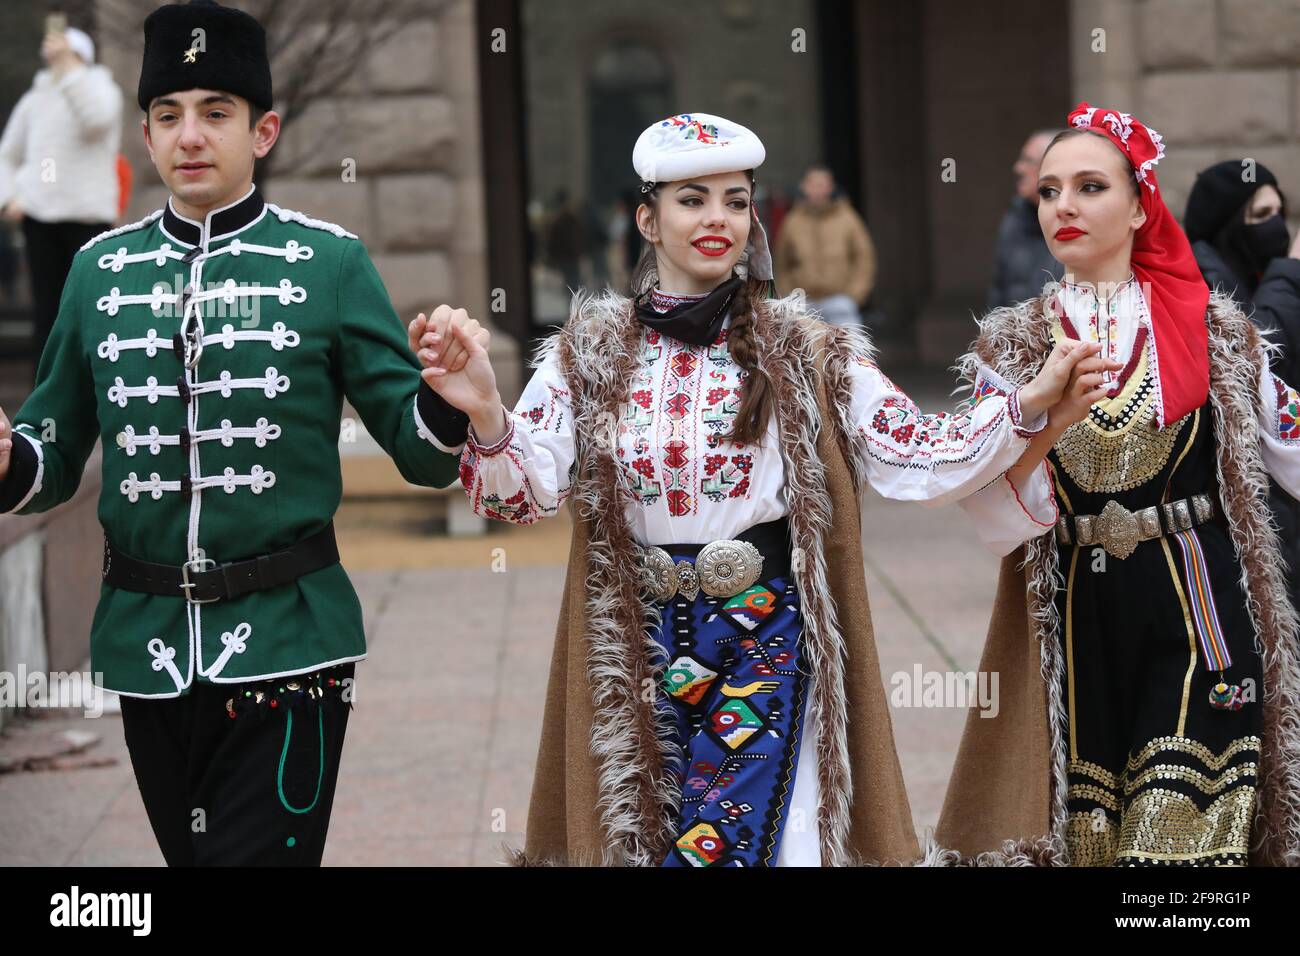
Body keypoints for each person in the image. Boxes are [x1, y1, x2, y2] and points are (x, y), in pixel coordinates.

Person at [415, 111, 1102, 867]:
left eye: (736, 201)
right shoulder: (588, 353)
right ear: (647, 218)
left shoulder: (807, 348)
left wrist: (1029, 401)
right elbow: (521, 494)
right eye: (692, 199)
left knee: (748, 846)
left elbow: (919, 456)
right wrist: (483, 410)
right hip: (634, 648)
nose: (718, 219)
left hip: (766, 636)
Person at [0, 0, 479, 867]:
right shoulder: (96, 273)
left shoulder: (330, 263)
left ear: (263, 131)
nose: (191, 135)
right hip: (145, 647)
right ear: (144, 135)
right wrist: (9, 458)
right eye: (168, 115)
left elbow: (417, 450)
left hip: (292, 645)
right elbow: (54, 450)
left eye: (216, 113)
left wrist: (451, 399)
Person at [935, 104, 1300, 866]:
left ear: (1141, 206)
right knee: (1089, 840)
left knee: (1181, 836)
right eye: (1048, 190)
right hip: (1076, 618)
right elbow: (991, 509)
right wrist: (1043, 416)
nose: (1063, 206)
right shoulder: (1014, 345)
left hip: (1199, 605)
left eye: (1090, 187)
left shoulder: (1215, 331)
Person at [1186, 160, 1300, 646]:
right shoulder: (1201, 270)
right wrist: (1291, 273)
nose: (1275, 226)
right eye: (1260, 214)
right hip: (1251, 491)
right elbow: (1259, 345)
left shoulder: (1255, 268)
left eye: (1279, 212)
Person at [0, 23, 123, 378]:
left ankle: (95, 390)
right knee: (46, 314)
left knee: (92, 310)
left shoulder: (101, 90)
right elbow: (8, 153)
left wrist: (71, 71)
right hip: (39, 218)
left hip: (89, 219)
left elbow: (96, 119)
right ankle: (44, 395)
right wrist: (11, 198)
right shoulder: (35, 100)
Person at [774, 163, 876, 327]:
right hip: (804, 302)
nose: (817, 190)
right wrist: (789, 295)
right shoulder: (792, 220)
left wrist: (855, 295)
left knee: (848, 349)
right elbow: (782, 262)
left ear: (831, 187)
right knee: (803, 350)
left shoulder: (848, 218)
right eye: (812, 184)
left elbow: (864, 258)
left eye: (822, 184)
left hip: (840, 300)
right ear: (804, 186)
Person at [986, 129, 1063, 311]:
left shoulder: (1075, 219)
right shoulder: (1015, 219)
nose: (1018, 168)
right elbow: (999, 291)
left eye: (1027, 161)